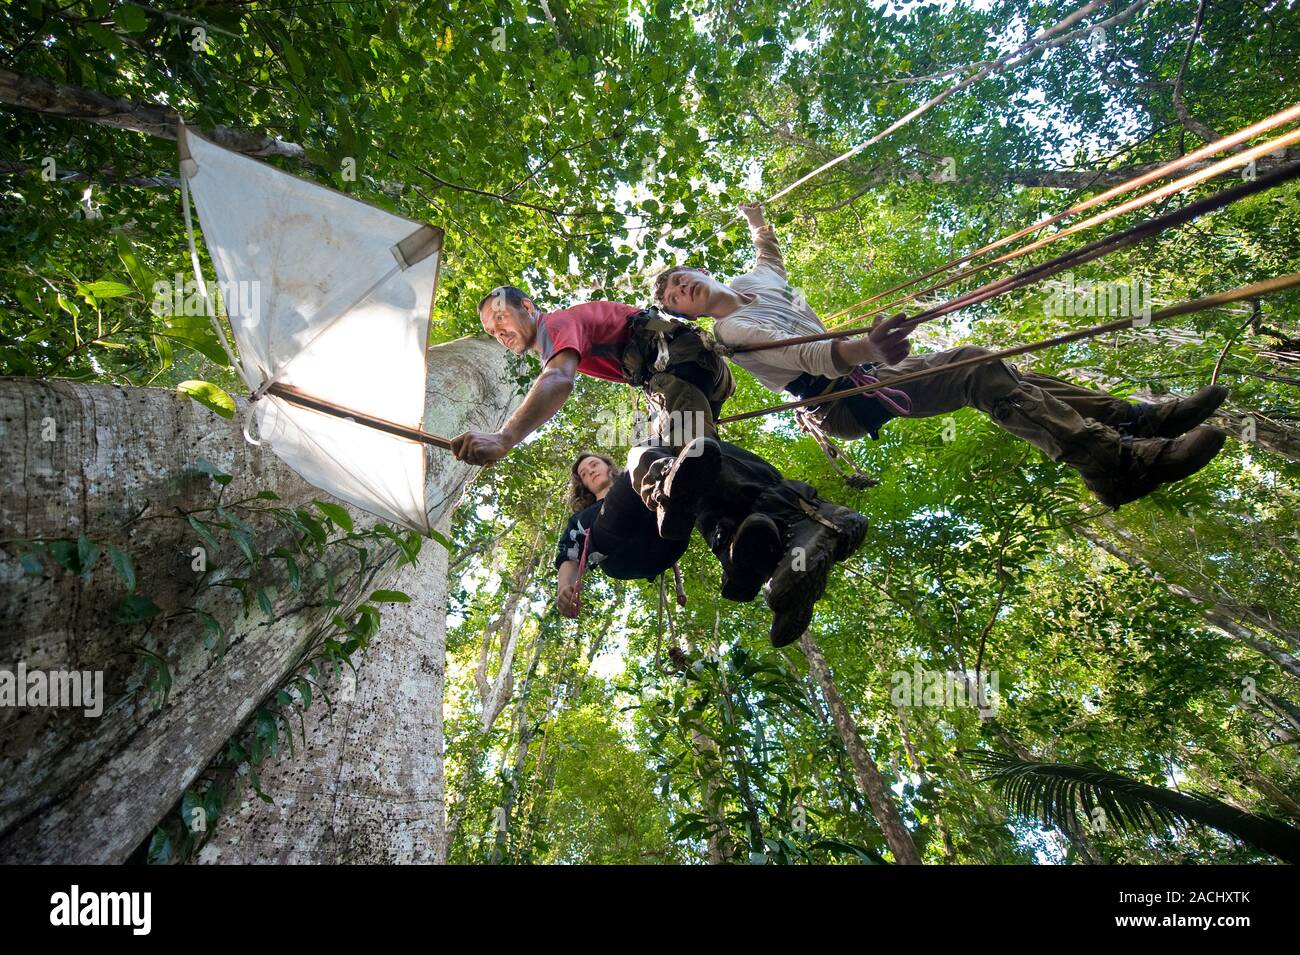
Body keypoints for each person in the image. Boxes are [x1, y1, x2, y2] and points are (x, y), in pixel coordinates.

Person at [652, 203, 1229, 509]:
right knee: (976, 368)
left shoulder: (758, 282)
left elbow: (770, 258)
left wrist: (758, 222)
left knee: (1001, 372)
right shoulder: (734, 332)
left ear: (702, 271)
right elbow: (814, 355)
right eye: (675, 296)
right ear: (690, 314)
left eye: (682, 278)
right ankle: (1115, 463)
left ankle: (1132, 421)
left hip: (870, 373)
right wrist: (867, 346)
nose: (682, 289)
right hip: (843, 398)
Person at [451, 286, 735, 533]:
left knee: (689, 456)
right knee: (671, 455)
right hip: (693, 372)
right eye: (491, 331)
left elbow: (558, 379)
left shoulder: (553, 325)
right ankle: (750, 520)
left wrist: (504, 438)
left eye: (500, 318)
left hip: (679, 362)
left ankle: (714, 516)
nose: (499, 332)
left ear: (527, 307)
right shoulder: (560, 335)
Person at [555, 441, 869, 648]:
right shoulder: (584, 517)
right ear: (583, 485)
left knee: (699, 469)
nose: (591, 470)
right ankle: (805, 513)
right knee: (646, 452)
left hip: (666, 539)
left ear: (606, 466)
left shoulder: (643, 477)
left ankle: (770, 568)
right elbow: (568, 555)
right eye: (584, 472)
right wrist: (565, 589)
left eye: (593, 464)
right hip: (619, 546)